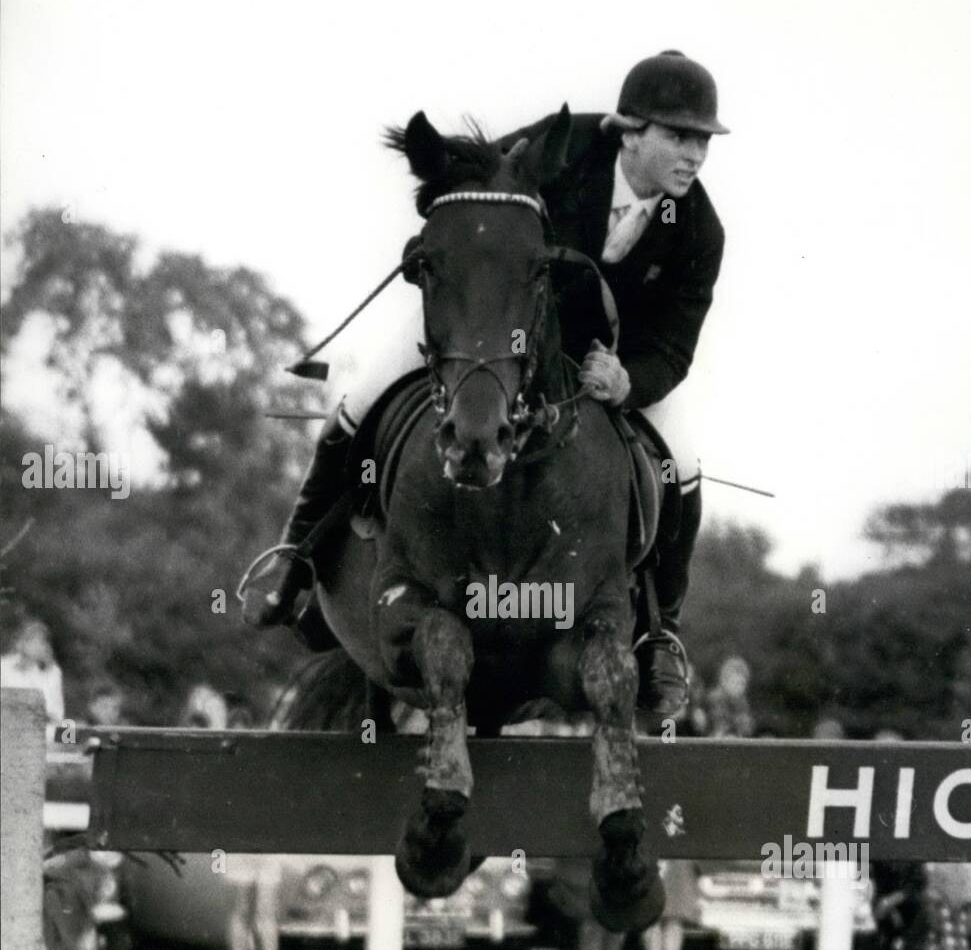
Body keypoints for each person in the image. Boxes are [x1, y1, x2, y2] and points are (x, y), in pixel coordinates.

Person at [243, 50, 728, 717]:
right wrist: (432, 211)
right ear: (629, 131)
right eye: (679, 136)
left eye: (702, 140)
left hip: (606, 360)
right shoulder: (562, 148)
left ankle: (661, 634)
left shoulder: (701, 229)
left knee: (688, 467)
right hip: (487, 331)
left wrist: (626, 380)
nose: (695, 154)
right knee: (359, 400)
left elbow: (674, 346)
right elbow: (464, 179)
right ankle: (295, 558)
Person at [1, 618, 65, 731]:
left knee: (72, 733)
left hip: (41, 729)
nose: (37, 646)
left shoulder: (52, 673)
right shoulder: (4, 666)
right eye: (31, 640)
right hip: (6, 727)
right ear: (19, 643)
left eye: (42, 641)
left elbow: (55, 712)